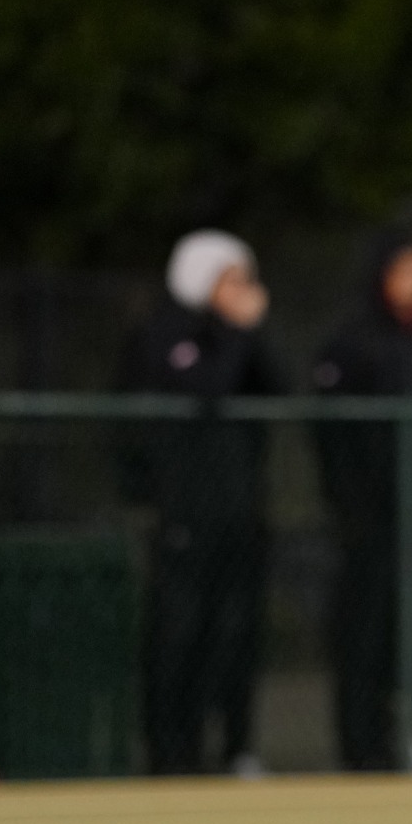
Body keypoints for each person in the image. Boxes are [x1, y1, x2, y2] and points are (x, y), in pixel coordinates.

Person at [118, 230, 282, 775]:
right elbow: (206, 389)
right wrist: (236, 333)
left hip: (241, 509)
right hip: (185, 510)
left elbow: (279, 387)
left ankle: (235, 746)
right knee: (178, 631)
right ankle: (170, 750)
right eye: (229, 280)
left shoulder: (240, 338)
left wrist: (251, 334)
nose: (242, 292)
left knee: (235, 632)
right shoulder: (165, 334)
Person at [312, 230, 412, 771]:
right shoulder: (353, 341)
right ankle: (362, 746)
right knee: (366, 633)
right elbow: (333, 436)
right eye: (404, 271)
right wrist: (350, 503)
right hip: (373, 520)